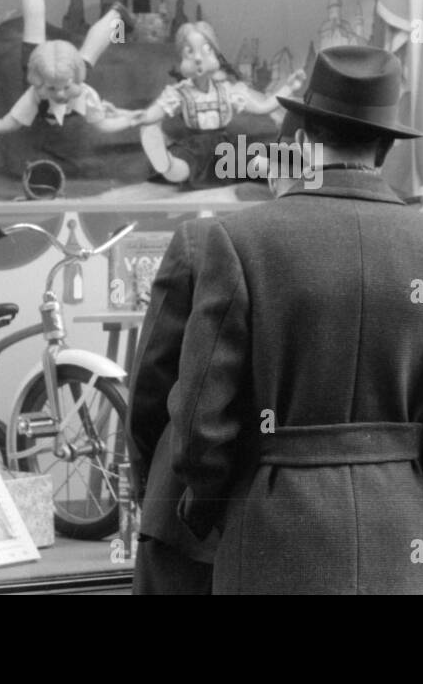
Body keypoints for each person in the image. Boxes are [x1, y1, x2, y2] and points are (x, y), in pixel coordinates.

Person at [167, 46, 423, 594]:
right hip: (398, 529)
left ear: (301, 141)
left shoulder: (240, 241)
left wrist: (210, 508)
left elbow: (201, 416)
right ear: (385, 146)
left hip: (269, 526)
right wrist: (413, 489)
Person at [126, 113, 305, 595]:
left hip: (189, 522)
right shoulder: (400, 249)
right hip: (303, 527)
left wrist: (153, 485)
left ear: (274, 170)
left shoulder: (202, 240)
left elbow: (151, 386)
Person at [0, 0, 140, 175]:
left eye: (66, 87)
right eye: (52, 89)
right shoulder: (34, 92)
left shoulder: (84, 92)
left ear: (76, 79)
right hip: (46, 68)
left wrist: (133, 119)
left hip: (68, 70)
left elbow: (103, 125)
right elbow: (6, 124)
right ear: (39, 83)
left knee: (79, 51)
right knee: (48, 38)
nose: (60, 94)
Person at [136, 21, 305, 187]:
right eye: (189, 52)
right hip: (194, 148)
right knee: (185, 166)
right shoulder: (180, 93)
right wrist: (136, 119)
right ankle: (165, 163)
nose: (198, 58)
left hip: (225, 147)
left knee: (248, 161)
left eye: (206, 50)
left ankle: (283, 171)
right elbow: (153, 114)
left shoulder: (227, 90)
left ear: (215, 54)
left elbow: (263, 107)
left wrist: (288, 88)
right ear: (182, 57)